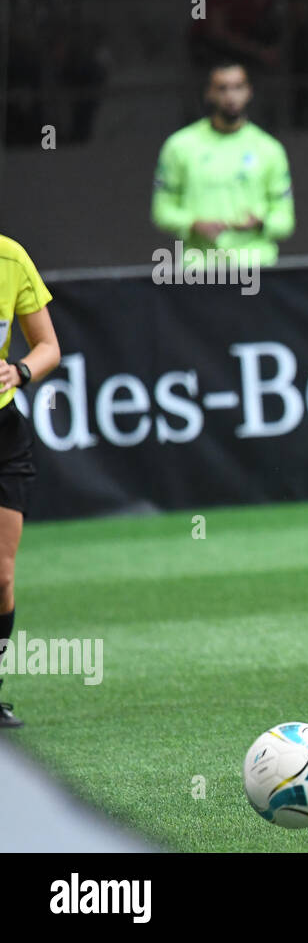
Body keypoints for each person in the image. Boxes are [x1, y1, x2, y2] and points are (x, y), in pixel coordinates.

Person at [0, 234, 63, 728]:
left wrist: (19, 370)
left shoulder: (11, 256)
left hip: (3, 434)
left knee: (1, 575)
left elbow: (48, 347)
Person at [151, 62, 296, 267]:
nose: (230, 97)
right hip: (200, 270)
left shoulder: (269, 149)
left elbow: (285, 220)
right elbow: (162, 212)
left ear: (249, 92)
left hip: (256, 269)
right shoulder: (179, 146)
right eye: (222, 88)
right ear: (209, 93)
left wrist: (261, 222)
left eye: (238, 87)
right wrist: (193, 224)